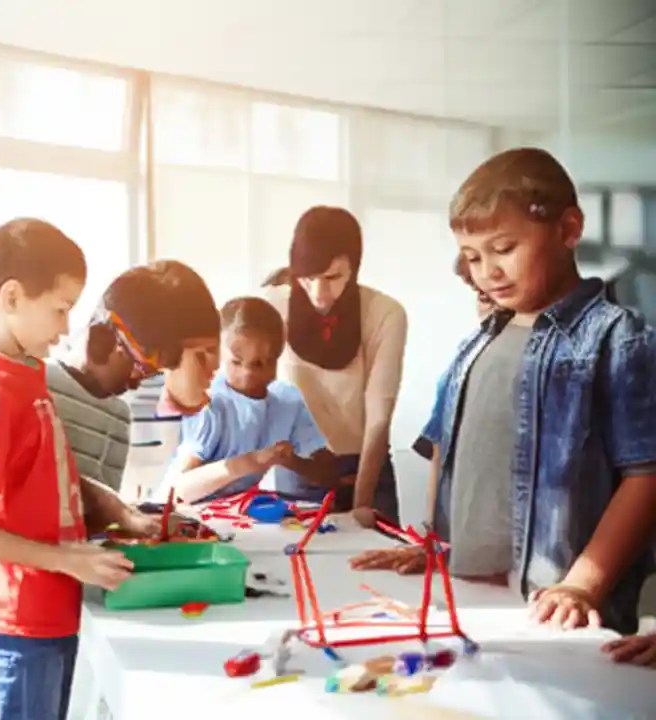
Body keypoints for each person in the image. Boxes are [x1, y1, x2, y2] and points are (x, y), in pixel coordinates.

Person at [351, 148, 656, 635]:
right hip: (468, 596)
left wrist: (583, 585)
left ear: (569, 230)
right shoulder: (477, 342)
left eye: (504, 248)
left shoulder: (616, 338)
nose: (486, 271)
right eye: (472, 257)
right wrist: (435, 542)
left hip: (559, 610)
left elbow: (646, 477)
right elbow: (444, 451)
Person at [261, 206, 408, 526]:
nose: (320, 293)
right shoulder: (272, 306)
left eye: (333, 277)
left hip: (366, 463)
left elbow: (379, 413)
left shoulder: (384, 313)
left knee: (376, 563)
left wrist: (362, 501)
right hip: (300, 467)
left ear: (354, 268)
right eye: (308, 278)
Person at [46, 260, 220, 513]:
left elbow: (101, 519)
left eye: (153, 373)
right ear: (104, 337)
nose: (137, 382)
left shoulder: (119, 417)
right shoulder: (38, 388)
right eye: (140, 366)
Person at [160, 297, 339, 504]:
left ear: (276, 362)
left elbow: (329, 474)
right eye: (236, 362)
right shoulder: (209, 402)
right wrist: (248, 462)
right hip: (183, 515)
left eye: (259, 364)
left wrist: (293, 462)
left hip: (235, 516)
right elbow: (178, 490)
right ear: (219, 354)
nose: (247, 373)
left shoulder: (286, 401)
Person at [411, 255, 498, 461]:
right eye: (480, 295)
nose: (485, 305)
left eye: (486, 295)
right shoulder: (470, 346)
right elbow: (437, 447)